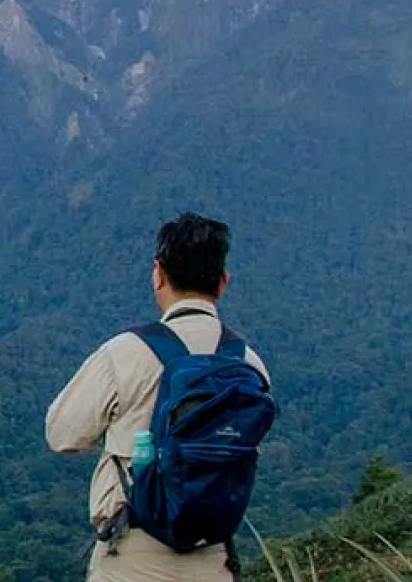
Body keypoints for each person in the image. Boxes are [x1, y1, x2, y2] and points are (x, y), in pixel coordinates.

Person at [46, 213, 270, 582]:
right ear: (223, 282)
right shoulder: (249, 363)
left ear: (158, 274)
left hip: (132, 557)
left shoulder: (125, 353)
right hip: (214, 560)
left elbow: (61, 434)